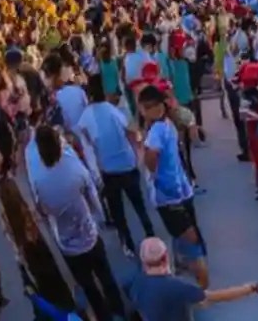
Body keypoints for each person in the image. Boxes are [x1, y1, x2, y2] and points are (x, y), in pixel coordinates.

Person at [30, 125, 126, 320]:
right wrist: (98, 217)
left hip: (67, 243)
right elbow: (92, 196)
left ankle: (103, 315)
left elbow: (42, 210)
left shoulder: (39, 180)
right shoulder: (74, 166)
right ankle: (119, 310)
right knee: (105, 275)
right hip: (89, 233)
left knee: (88, 285)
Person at [138, 84, 210, 288]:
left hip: (168, 195)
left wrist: (154, 175)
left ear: (151, 107)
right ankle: (182, 265)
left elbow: (151, 158)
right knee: (184, 232)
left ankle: (202, 287)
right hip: (181, 189)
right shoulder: (167, 123)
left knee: (191, 240)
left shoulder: (156, 131)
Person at [77, 73, 155, 258]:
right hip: (127, 164)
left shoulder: (86, 116)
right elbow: (130, 131)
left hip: (108, 170)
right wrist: (137, 153)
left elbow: (86, 141)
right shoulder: (113, 110)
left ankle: (127, 244)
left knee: (118, 211)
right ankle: (150, 234)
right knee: (139, 204)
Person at [126, 237, 258, 321]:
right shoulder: (178, 287)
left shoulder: (135, 281)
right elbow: (218, 296)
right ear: (166, 257)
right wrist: (248, 288)